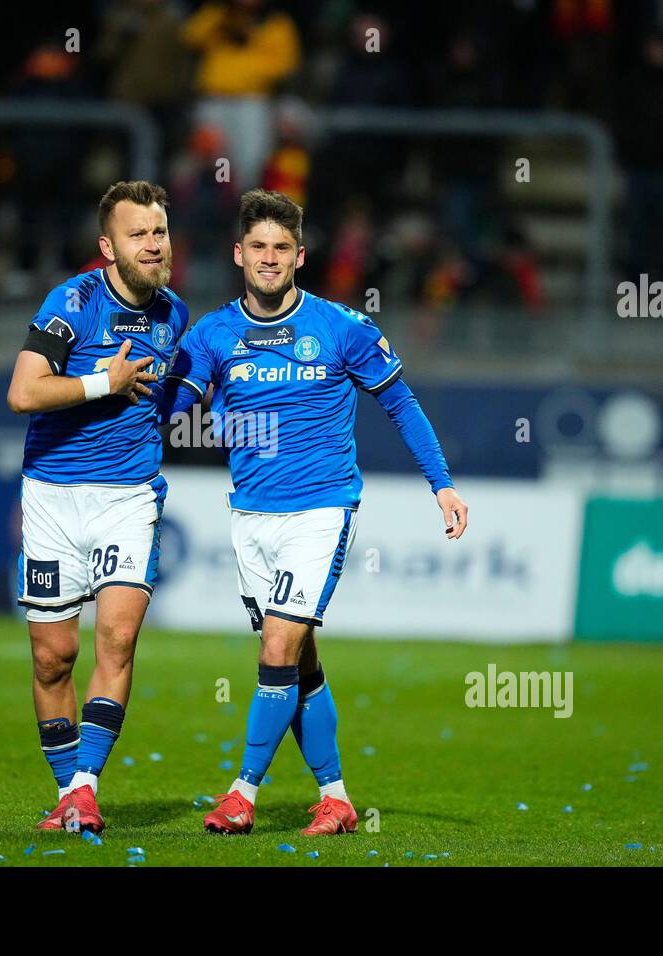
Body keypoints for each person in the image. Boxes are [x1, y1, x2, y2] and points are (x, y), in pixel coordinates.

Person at [160, 189, 467, 836]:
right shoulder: (211, 334)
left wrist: (440, 484)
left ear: (299, 256)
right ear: (238, 254)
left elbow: (401, 404)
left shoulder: (340, 327)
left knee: (276, 647)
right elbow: (171, 410)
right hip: (249, 517)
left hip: (321, 510)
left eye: (281, 249)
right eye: (258, 248)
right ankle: (336, 798)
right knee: (296, 662)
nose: (269, 259)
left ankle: (241, 794)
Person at [7, 181, 189, 834]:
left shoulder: (175, 314)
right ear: (108, 247)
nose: (152, 243)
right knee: (53, 656)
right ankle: (69, 796)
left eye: (159, 232)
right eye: (138, 233)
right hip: (54, 499)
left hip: (128, 499)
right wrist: (101, 382)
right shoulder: (73, 302)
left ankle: (86, 787)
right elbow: (23, 393)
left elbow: (171, 397)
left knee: (118, 636)